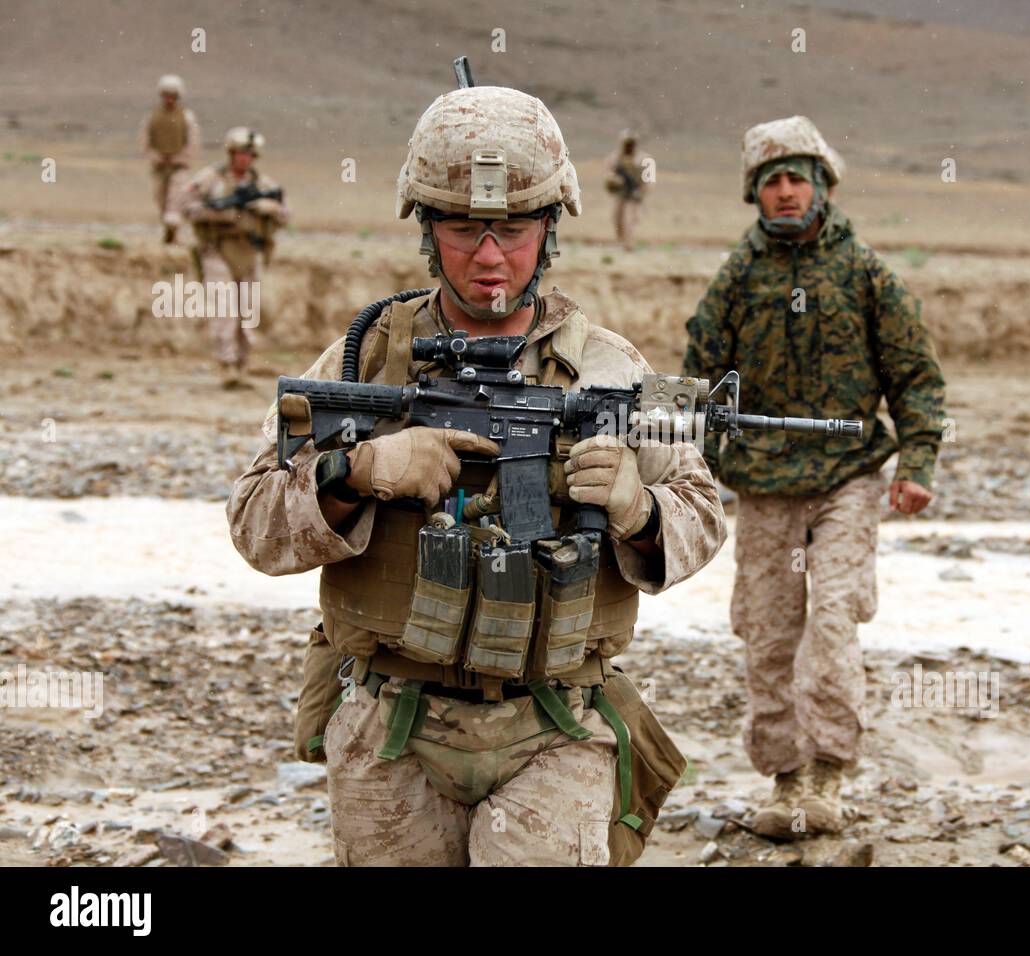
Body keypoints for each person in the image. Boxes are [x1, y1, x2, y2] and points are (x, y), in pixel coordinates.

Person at [226, 84, 726, 866]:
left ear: (550, 228)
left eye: (513, 230)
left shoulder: (612, 368)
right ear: (427, 229)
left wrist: (640, 511)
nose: (489, 257)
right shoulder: (367, 359)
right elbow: (255, 523)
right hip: (391, 720)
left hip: (555, 723)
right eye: (463, 229)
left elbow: (704, 512)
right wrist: (359, 472)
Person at [682, 115, 946, 839]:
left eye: (798, 178)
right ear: (755, 194)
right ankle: (785, 778)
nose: (786, 191)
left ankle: (828, 774)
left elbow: (915, 376)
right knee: (768, 634)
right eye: (772, 181)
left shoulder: (864, 272)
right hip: (763, 483)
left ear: (823, 186)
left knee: (831, 623)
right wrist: (694, 461)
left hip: (847, 478)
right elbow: (699, 379)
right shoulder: (737, 278)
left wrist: (917, 462)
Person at [182, 127, 290, 389]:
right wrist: (223, 215)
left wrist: (270, 209)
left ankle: (243, 365)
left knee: (247, 312)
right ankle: (227, 364)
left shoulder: (263, 184)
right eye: (240, 153)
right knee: (224, 310)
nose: (244, 159)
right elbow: (189, 208)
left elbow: (285, 215)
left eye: (249, 155)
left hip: (249, 252)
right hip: (217, 249)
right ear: (231, 153)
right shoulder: (210, 179)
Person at [138, 74, 200, 244]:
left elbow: (192, 141)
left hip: (179, 166)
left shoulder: (187, 117)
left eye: (172, 96)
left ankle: (173, 233)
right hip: (159, 167)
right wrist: (155, 157)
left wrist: (181, 158)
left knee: (175, 201)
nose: (169, 99)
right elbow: (144, 140)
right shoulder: (152, 116)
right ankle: (169, 232)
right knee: (161, 201)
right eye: (166, 95)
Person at [605, 129, 648, 251]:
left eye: (631, 143)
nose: (629, 146)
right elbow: (608, 174)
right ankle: (622, 241)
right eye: (627, 143)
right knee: (616, 218)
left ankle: (629, 244)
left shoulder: (643, 159)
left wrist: (642, 191)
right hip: (620, 193)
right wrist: (615, 179)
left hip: (634, 193)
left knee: (630, 220)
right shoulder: (615, 158)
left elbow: (649, 180)